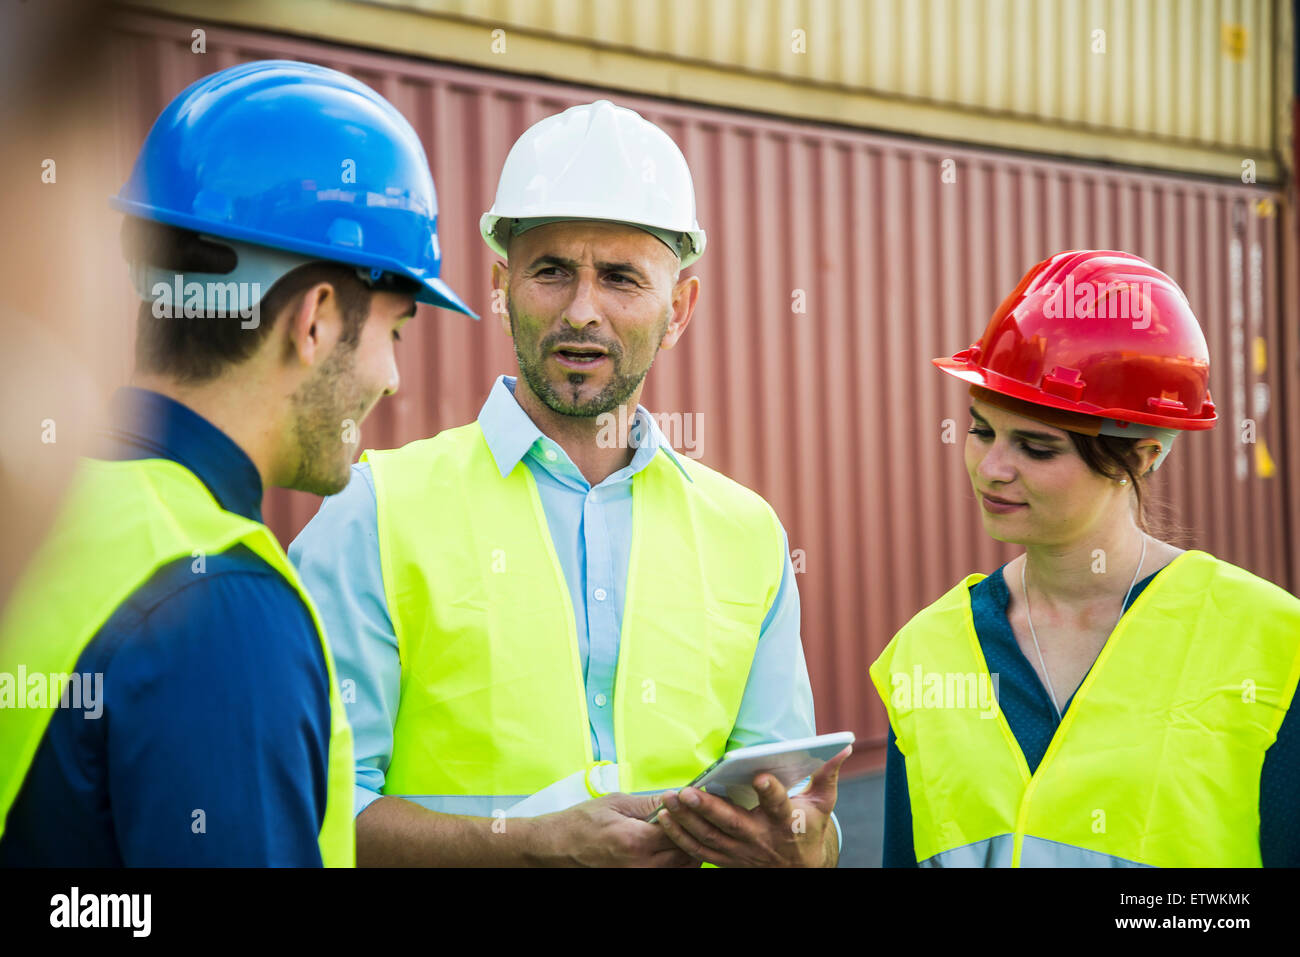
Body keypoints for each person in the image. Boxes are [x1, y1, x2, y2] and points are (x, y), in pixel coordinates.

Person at [291, 99, 849, 867]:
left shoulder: (747, 534)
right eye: (552, 271)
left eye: (621, 278)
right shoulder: (375, 512)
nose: (582, 312)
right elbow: (309, 811)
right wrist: (524, 848)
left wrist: (808, 847)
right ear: (501, 284)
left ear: (679, 308)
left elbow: (781, 803)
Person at [0, 60, 475, 866]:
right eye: (394, 332)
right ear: (317, 319)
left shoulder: (42, 513)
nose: (394, 380)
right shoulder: (222, 600)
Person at [870, 249, 1300, 867]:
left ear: (1143, 457)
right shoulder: (928, 650)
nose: (991, 469)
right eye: (982, 430)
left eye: (1037, 448)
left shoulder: (1268, 643)